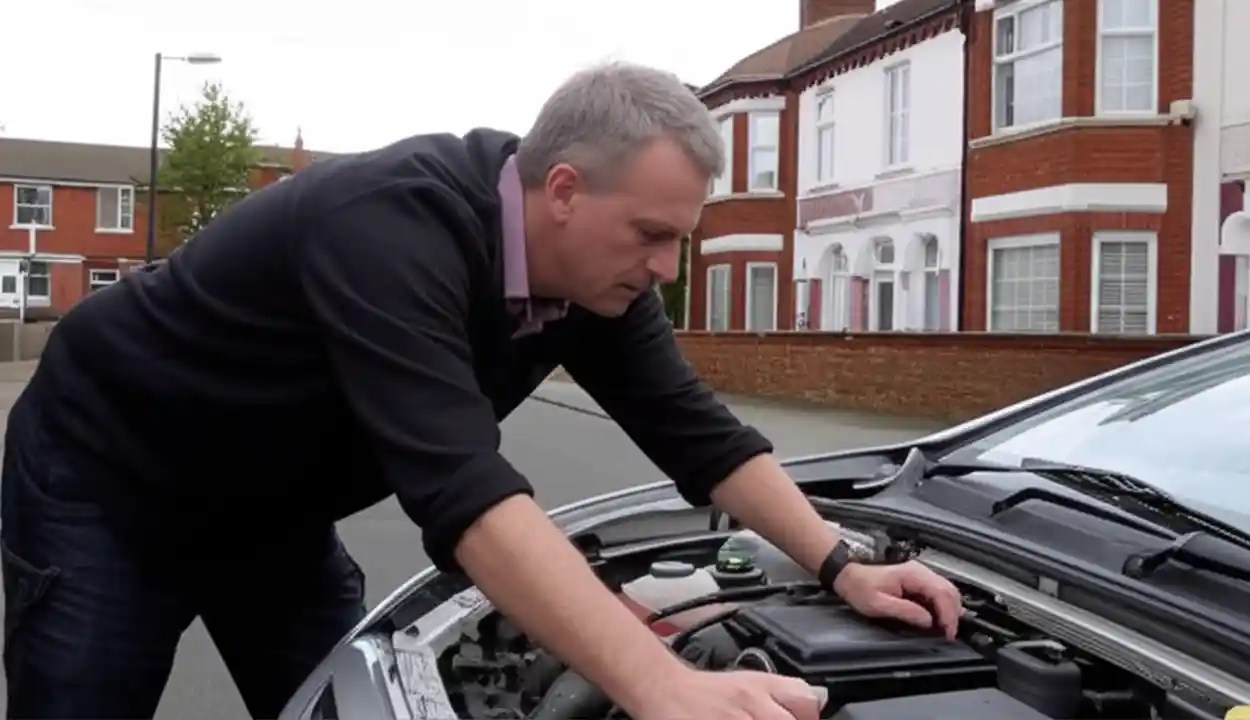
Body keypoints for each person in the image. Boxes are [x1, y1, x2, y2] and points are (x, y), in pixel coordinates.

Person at [0, 61, 963, 720]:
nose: (666, 268)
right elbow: (467, 493)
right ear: (562, 190)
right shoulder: (392, 226)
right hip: (108, 487)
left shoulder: (596, 278)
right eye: (651, 235)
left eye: (680, 238)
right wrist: (662, 688)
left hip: (269, 520)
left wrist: (844, 565)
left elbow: (698, 434)